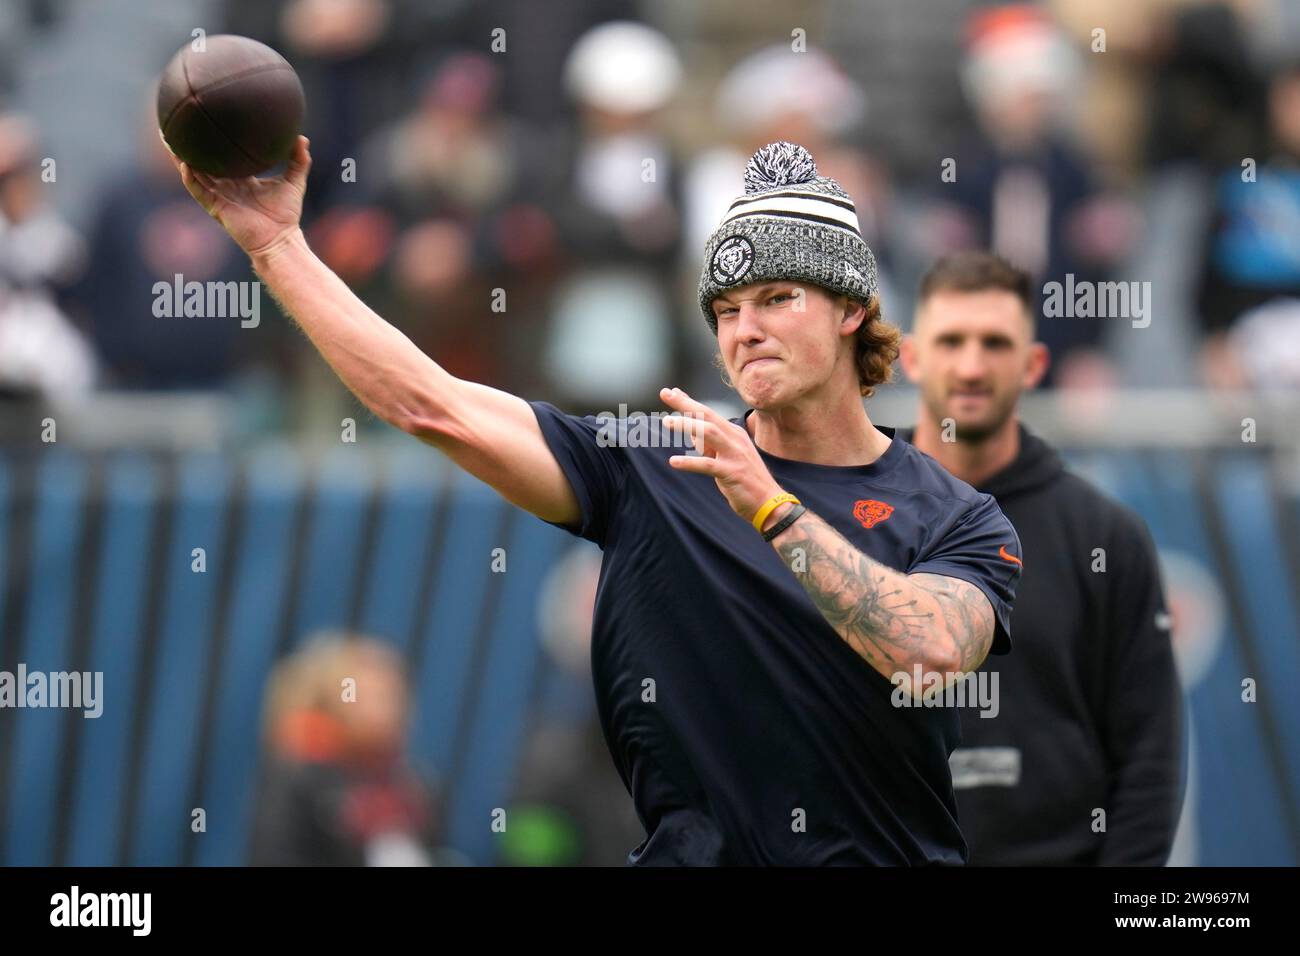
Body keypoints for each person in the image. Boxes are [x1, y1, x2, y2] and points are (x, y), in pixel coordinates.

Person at [172, 136, 1022, 865]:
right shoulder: (655, 467)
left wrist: (775, 511)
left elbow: (928, 651)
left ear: (852, 312)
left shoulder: (956, 516)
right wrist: (277, 247)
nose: (745, 330)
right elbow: (432, 405)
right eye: (726, 309)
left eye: (776, 299)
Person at [898, 251, 1184, 865]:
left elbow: (1150, 757)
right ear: (912, 357)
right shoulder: (850, 517)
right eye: (951, 341)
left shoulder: (1106, 537)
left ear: (1033, 365)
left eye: (995, 343)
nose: (972, 366)